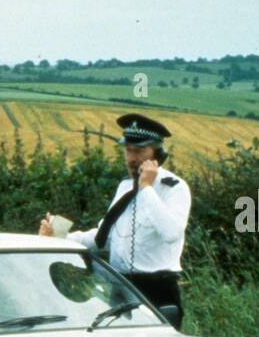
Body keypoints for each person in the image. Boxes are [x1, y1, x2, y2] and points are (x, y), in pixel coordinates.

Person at [40, 113, 192, 317]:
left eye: (140, 151)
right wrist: (59, 237)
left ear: (157, 154)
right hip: (120, 287)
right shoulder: (125, 187)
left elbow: (172, 233)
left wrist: (146, 187)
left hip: (157, 290)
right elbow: (103, 237)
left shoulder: (174, 188)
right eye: (128, 150)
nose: (132, 158)